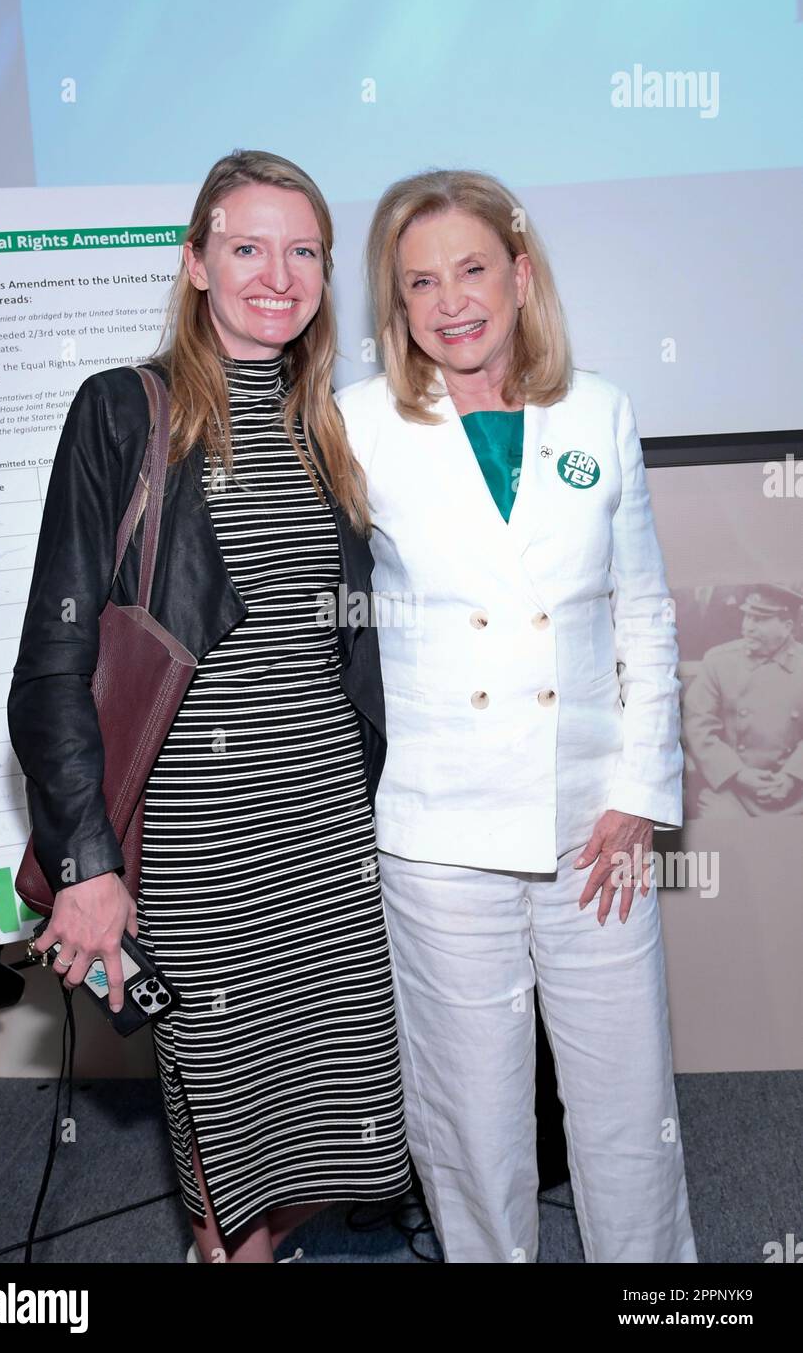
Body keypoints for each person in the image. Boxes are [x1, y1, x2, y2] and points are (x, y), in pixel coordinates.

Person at [7, 149, 410, 1264]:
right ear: (194, 262)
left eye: (302, 253)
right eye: (245, 248)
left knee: (327, 1124)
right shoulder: (124, 413)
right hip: (202, 841)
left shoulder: (329, 425)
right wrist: (86, 863)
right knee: (225, 1137)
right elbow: (53, 656)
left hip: (328, 829)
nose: (275, 275)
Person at [335, 168, 698, 1263]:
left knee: (625, 1099)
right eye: (418, 282)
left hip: (594, 825)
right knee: (468, 1118)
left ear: (520, 275)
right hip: (440, 835)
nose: (450, 300)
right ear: (395, 309)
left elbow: (642, 610)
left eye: (471, 269)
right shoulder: (355, 424)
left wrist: (638, 793)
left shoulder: (600, 409)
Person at [684, 584, 803, 816]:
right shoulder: (719, 662)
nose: (748, 627)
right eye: (747, 616)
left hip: (796, 790)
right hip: (731, 789)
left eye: (759, 619)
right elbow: (696, 725)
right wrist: (739, 774)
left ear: (787, 626)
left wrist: (791, 776)